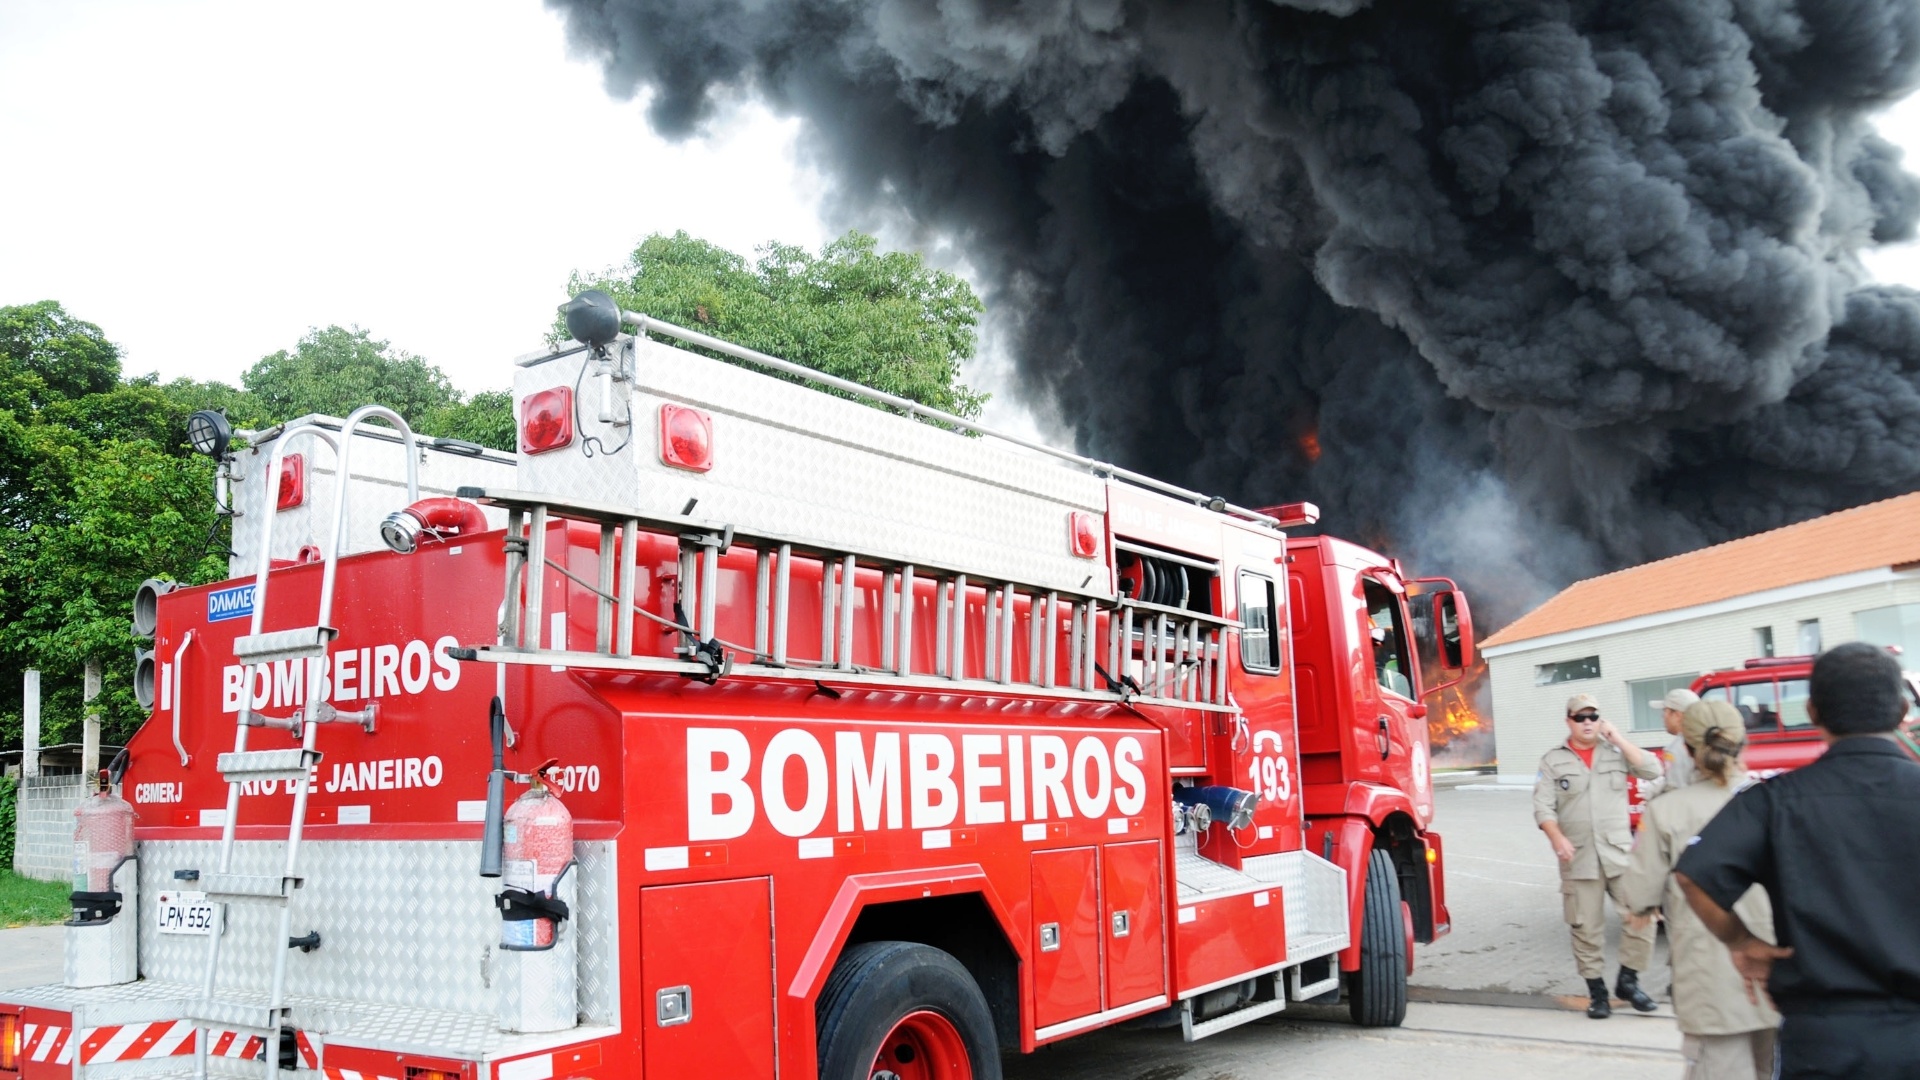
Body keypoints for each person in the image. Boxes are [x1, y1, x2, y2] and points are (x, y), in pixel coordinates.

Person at [1677, 642, 1920, 1078]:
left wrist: (1743, 943)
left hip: (1825, 1044)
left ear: (1812, 712)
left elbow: (1695, 876)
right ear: (1903, 709)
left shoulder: (1775, 800)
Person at [1622, 699, 1778, 1078]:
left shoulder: (1667, 811)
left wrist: (1644, 909)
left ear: (1687, 750)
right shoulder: (1775, 801)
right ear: (1742, 744)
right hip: (1776, 976)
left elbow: (1637, 893)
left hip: (1710, 980)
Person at [1534, 692, 1663, 1018]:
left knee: (1643, 916)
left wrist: (1617, 737)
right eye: (1580, 717)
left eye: (1593, 717)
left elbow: (1651, 769)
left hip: (1619, 855)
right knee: (1585, 929)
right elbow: (1542, 806)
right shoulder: (1553, 761)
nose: (1587, 722)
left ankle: (1628, 982)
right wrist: (1556, 836)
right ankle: (1598, 994)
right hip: (1578, 858)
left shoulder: (1615, 754)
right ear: (1569, 721)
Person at [1640, 686, 1701, 799]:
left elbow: (1676, 791)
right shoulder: (1706, 740)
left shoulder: (1677, 748)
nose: (1662, 716)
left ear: (1677, 715)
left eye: (1665, 711)